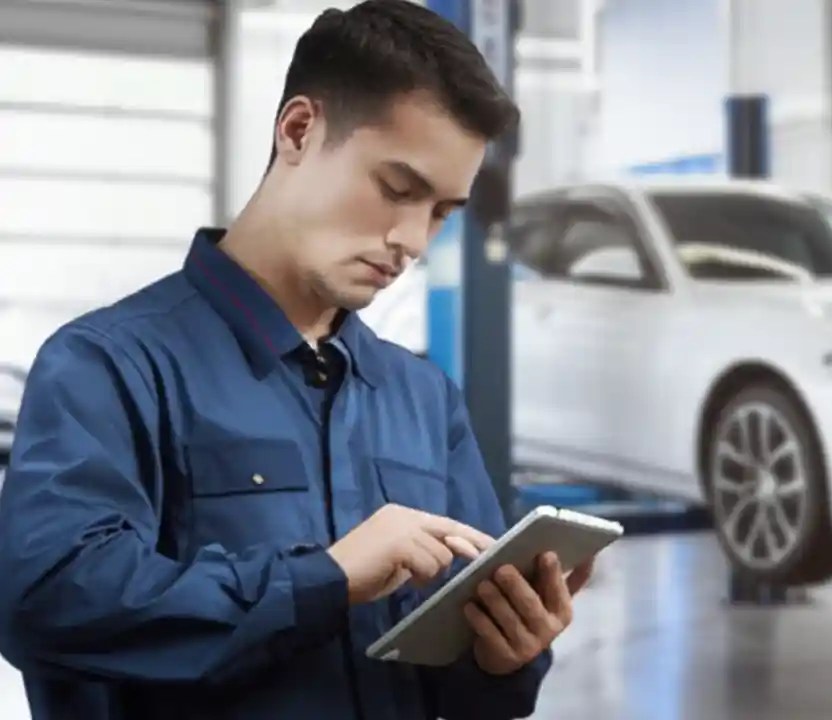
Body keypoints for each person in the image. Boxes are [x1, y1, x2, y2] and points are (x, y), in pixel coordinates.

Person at [0, 2, 592, 718]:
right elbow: (45, 603)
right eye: (396, 189)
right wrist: (324, 580)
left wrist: (503, 659)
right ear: (299, 130)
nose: (412, 240)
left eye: (441, 211)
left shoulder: (425, 401)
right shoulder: (110, 368)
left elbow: (453, 689)